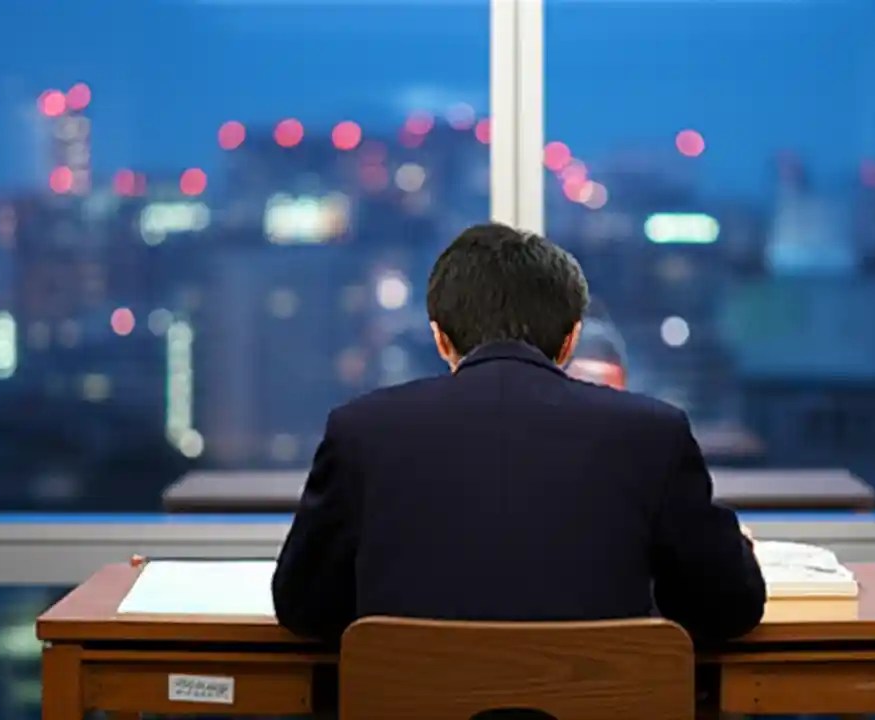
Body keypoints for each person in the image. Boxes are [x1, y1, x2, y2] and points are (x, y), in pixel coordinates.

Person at [272, 223, 766, 649]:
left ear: (440, 338)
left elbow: (303, 608)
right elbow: (728, 609)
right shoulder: (653, 434)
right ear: (571, 341)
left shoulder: (361, 432)